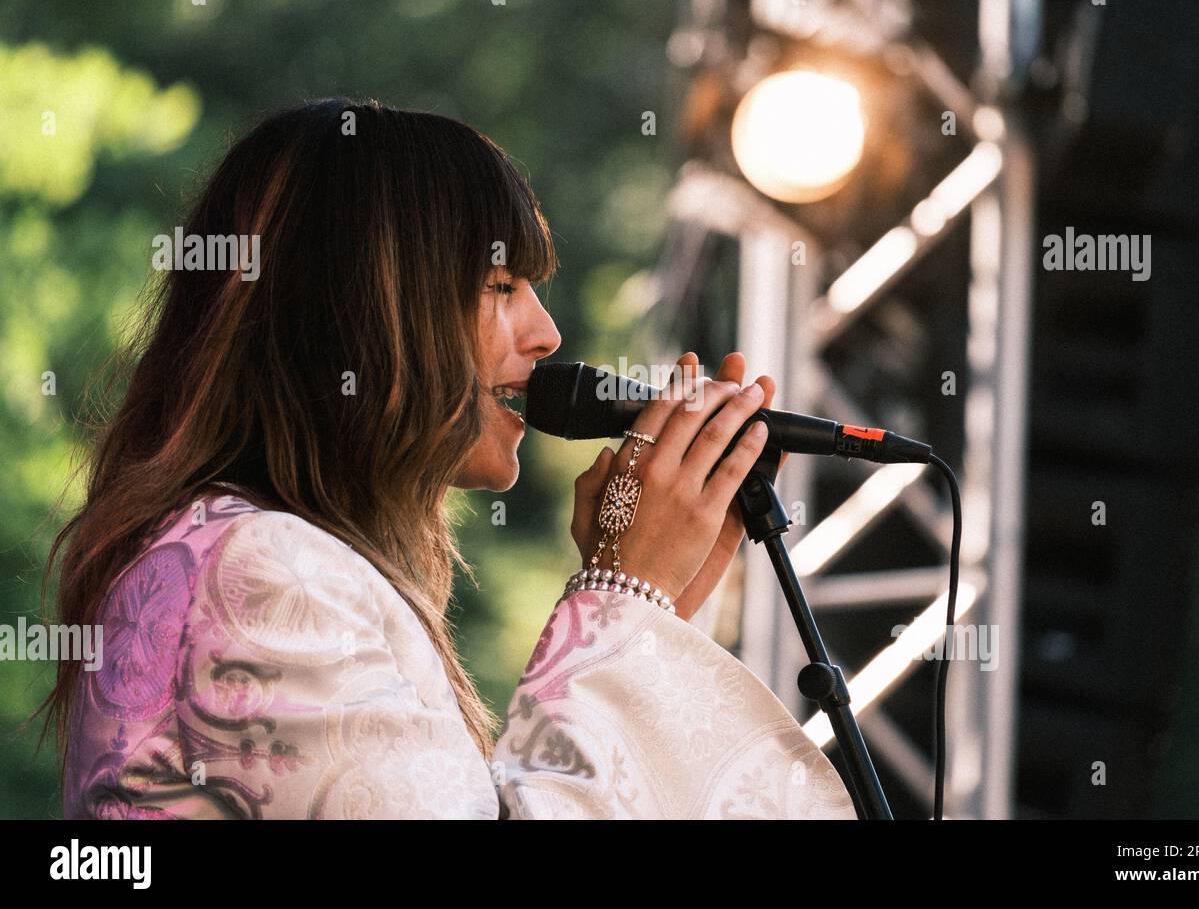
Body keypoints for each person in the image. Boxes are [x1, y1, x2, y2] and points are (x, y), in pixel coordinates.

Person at [43, 98, 856, 818]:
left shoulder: (236, 550)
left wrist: (656, 609)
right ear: (360, 310)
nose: (546, 335)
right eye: (500, 286)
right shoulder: (256, 568)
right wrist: (619, 590)